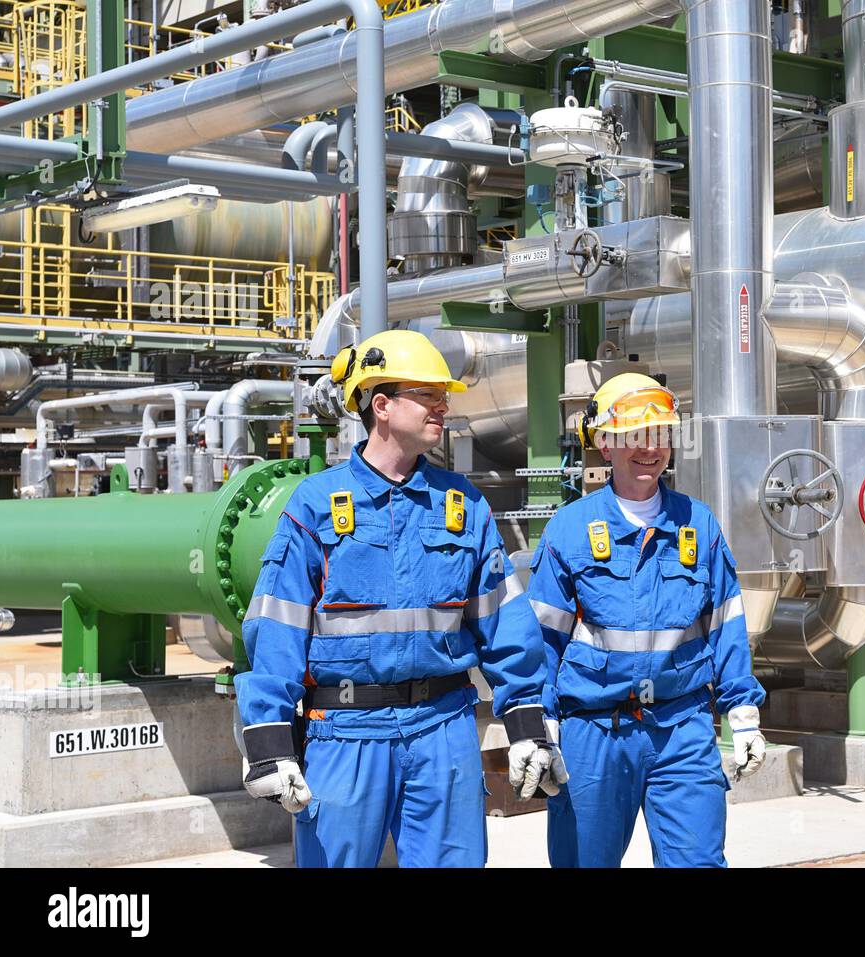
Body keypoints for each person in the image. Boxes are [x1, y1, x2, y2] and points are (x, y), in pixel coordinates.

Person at [235, 329, 566, 867]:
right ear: (382, 406)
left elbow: (505, 623)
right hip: (344, 733)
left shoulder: (463, 505)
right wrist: (270, 742)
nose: (443, 406)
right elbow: (277, 627)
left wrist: (528, 724)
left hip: (443, 728)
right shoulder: (317, 504)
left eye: (443, 395)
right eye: (428, 395)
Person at [526, 372, 767, 868]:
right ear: (605, 443)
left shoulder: (698, 523)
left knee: (697, 861)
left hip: (682, 729)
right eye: (634, 435)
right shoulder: (569, 530)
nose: (649, 448)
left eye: (660, 434)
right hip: (594, 731)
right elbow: (543, 642)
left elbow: (726, 625)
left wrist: (743, 714)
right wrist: (538, 726)